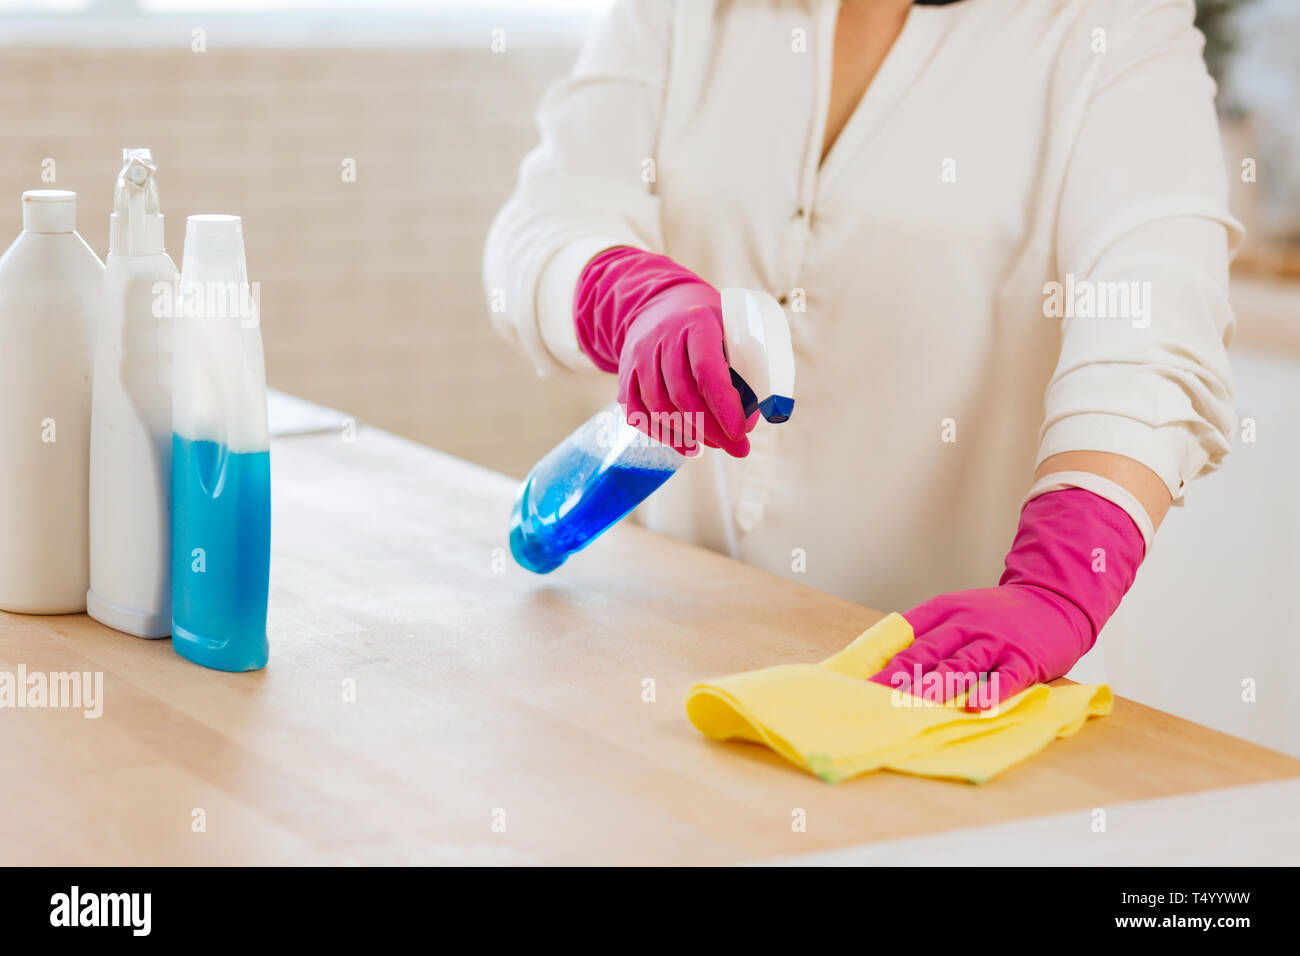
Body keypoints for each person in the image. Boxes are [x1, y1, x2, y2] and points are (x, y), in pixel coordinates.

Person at [483, 0, 1241, 705]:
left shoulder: (1113, 29)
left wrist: (1060, 583)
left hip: (941, 693)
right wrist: (630, 295)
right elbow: (548, 216)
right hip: (667, 647)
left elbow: (1152, 323)